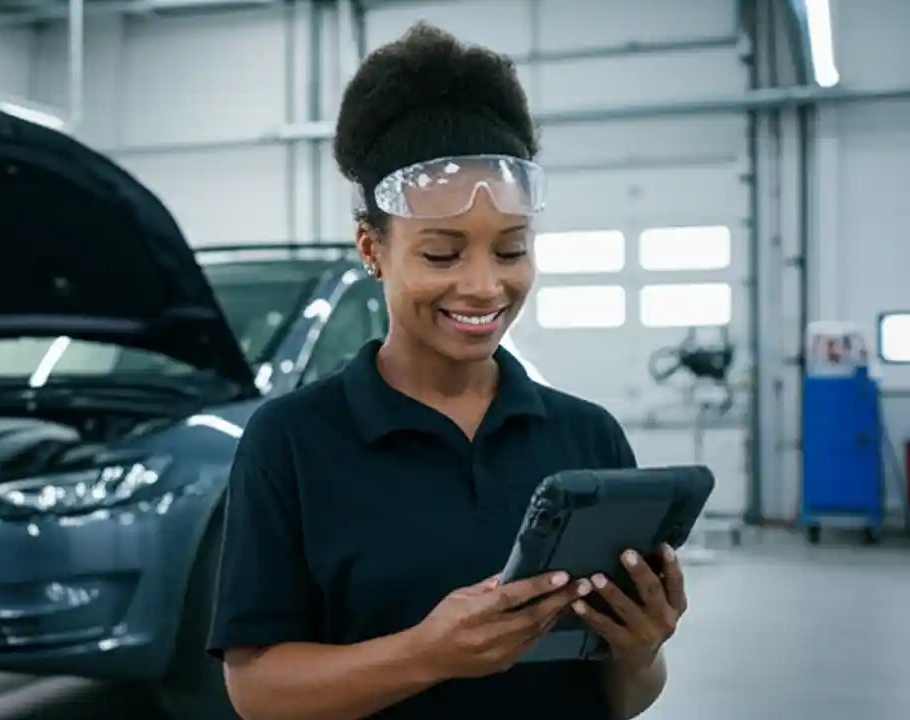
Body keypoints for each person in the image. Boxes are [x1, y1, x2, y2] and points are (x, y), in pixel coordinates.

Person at [206, 22, 690, 720]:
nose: (484, 286)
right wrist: (428, 654)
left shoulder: (588, 440)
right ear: (372, 249)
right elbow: (256, 691)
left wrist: (640, 648)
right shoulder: (293, 442)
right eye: (441, 255)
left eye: (511, 250)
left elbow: (626, 697)